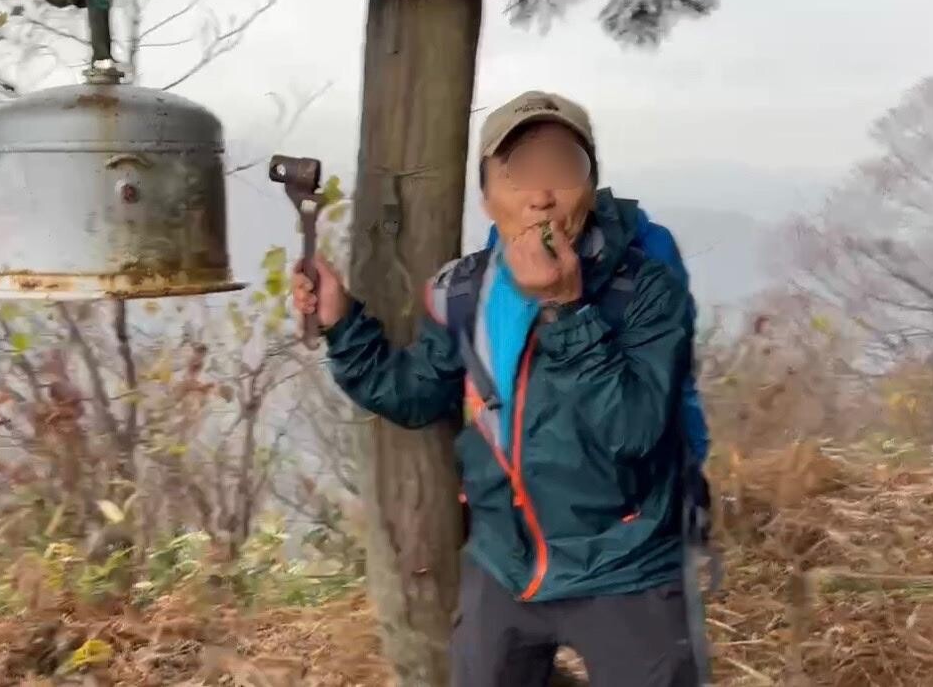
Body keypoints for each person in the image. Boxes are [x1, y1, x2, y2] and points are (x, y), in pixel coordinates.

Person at [291, 90, 705, 687]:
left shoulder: (645, 292)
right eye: (517, 174)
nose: (540, 195)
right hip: (505, 567)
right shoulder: (463, 290)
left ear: (591, 187)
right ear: (487, 196)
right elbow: (416, 395)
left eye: (562, 169)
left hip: (627, 565)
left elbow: (635, 430)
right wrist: (342, 322)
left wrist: (566, 309)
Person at [485, 203, 712, 464]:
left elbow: (673, 368)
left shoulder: (647, 247)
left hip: (628, 472)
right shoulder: (498, 251)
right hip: (526, 471)